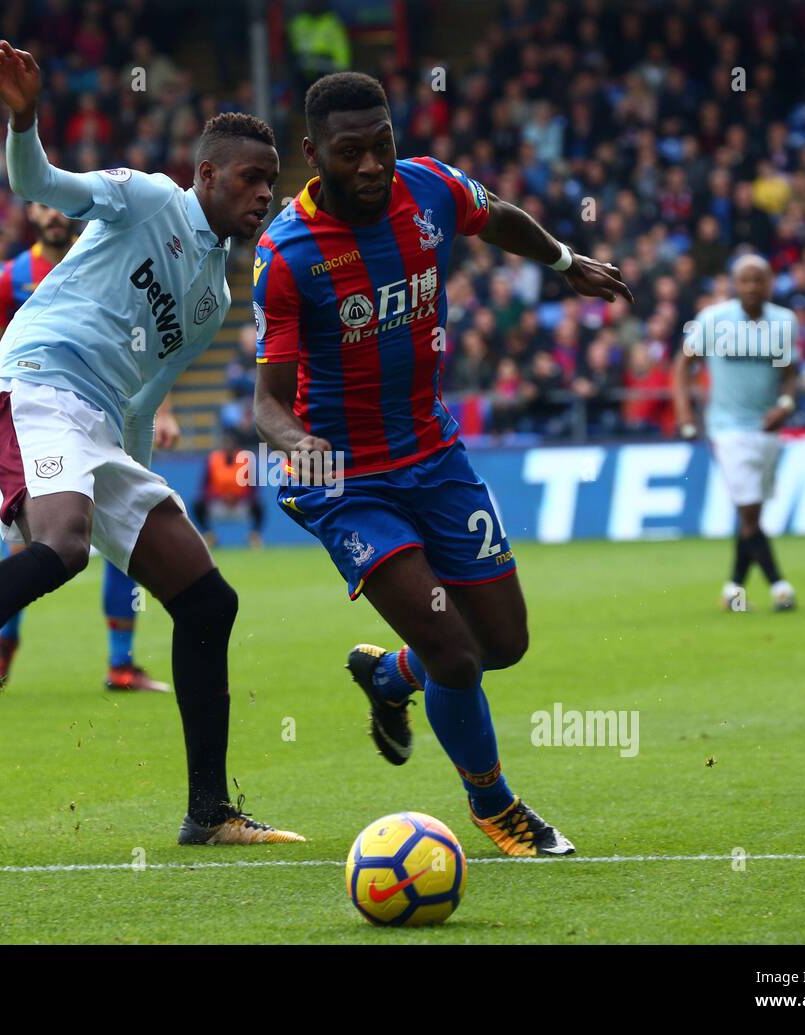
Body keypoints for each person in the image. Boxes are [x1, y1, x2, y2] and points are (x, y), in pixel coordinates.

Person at [0, 41, 301, 847]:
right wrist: (25, 120)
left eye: (271, 181)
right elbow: (41, 185)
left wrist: (139, 509)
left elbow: (144, 400)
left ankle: (208, 812)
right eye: (250, 179)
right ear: (206, 175)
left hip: (97, 425)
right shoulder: (147, 198)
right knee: (60, 546)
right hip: (30, 385)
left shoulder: (213, 296)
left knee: (209, 600)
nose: (265, 193)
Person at [252, 72, 630, 857]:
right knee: (456, 656)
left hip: (435, 453)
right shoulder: (287, 254)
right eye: (350, 152)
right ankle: (496, 806)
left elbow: (496, 216)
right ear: (313, 153)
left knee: (504, 643)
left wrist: (564, 260)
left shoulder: (429, 188)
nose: (370, 165)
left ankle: (392, 675)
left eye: (381, 144)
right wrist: (295, 444)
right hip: (346, 481)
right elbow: (267, 403)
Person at [0, 200, 171, 693]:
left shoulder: (100, 258)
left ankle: (121, 663)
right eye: (43, 207)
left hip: (103, 413)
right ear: (32, 215)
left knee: (127, 534)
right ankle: (6, 641)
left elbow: (145, 339)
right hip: (37, 418)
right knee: (28, 541)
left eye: (59, 207)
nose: (54, 215)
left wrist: (165, 409)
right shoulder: (11, 278)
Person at [673, 255, 799, 611]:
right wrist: (685, 414)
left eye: (759, 280)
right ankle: (780, 587)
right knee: (748, 511)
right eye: (745, 280)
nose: (752, 287)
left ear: (770, 283)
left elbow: (790, 372)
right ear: (733, 283)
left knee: (751, 517)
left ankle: (734, 592)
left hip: (768, 429)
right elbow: (682, 366)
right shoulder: (713, 320)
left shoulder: (784, 321)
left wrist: (786, 404)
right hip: (727, 429)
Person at [192, 431, 265, 548]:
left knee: (259, 506)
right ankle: (209, 535)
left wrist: (238, 497)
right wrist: (219, 496)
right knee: (197, 505)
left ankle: (254, 536)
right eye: (226, 445)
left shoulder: (245, 460)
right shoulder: (213, 460)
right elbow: (205, 487)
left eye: (231, 445)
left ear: (236, 447)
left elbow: (254, 487)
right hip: (219, 503)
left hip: (240, 503)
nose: (228, 448)